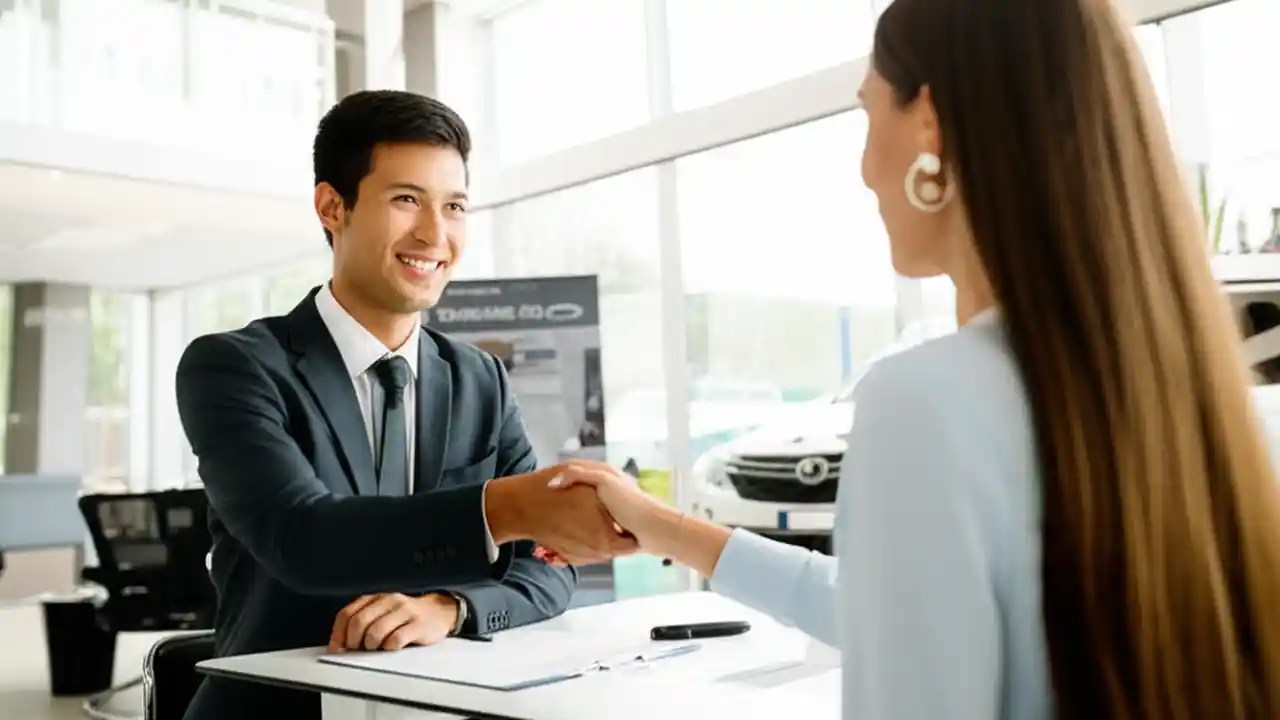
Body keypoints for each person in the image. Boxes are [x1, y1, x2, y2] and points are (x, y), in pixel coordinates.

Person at [549, 0, 1280, 717]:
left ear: (929, 125)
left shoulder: (927, 401)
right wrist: (668, 529)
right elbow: (902, 609)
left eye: (870, 114)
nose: (866, 168)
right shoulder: (1217, 412)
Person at [175, 90, 635, 720]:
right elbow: (302, 538)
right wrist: (506, 508)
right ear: (332, 207)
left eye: (455, 206)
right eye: (406, 200)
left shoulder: (480, 379)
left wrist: (451, 607)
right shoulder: (235, 367)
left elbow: (547, 568)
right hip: (279, 710)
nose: (435, 234)